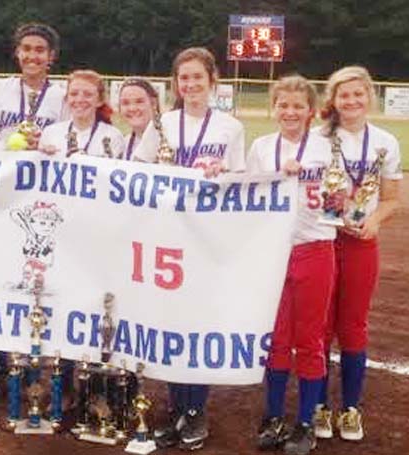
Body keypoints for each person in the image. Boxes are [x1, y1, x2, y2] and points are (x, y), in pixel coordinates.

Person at [133, 47, 245, 451]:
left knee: (197, 324)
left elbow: (240, 179)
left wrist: (224, 173)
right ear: (176, 84)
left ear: (212, 82)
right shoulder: (163, 123)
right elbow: (139, 170)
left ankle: (196, 410)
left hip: (206, 236)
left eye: (198, 77)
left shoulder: (229, 127)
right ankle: (176, 407)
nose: (191, 85)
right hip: (167, 236)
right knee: (170, 323)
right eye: (184, 78)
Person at [313, 66, 401, 443]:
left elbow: (392, 198)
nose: (351, 101)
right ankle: (317, 405)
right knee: (319, 328)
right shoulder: (318, 138)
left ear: (369, 97)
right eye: (343, 95)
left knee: (353, 326)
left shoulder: (385, 141)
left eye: (358, 94)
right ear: (333, 100)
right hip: (321, 239)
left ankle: (350, 408)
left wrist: (375, 221)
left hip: (361, 242)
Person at [248, 75, 334, 455]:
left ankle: (306, 422)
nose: (290, 111)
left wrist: (337, 196)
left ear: (310, 111)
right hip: (273, 251)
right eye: (283, 104)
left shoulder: (326, 147)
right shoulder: (262, 147)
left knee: (310, 340)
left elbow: (339, 199)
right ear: (274, 108)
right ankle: (273, 416)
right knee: (278, 338)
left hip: (315, 246)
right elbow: (247, 195)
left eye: (298, 105)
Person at [0, 23, 67, 148]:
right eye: (26, 49)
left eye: (39, 50)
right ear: (18, 52)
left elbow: (65, 141)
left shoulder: (62, 97)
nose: (32, 56)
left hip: (43, 165)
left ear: (51, 56)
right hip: (3, 164)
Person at [38, 69, 124, 158]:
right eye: (74, 94)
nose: (79, 100)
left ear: (99, 101)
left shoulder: (113, 136)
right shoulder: (51, 133)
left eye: (88, 95)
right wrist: (43, 156)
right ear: (67, 99)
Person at [117, 78, 159, 160]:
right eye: (125, 103)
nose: (132, 108)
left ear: (153, 103)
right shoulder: (123, 144)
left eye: (139, 101)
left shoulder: (170, 139)